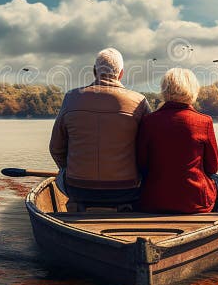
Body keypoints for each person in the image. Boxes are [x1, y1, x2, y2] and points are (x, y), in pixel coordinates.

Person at [49, 48, 151, 205]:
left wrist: (70, 169)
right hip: (126, 188)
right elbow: (148, 149)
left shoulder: (71, 98)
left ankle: (76, 206)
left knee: (61, 175)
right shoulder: (139, 101)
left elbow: (56, 148)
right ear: (121, 73)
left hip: (78, 187)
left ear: (94, 71)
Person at [137, 67, 218, 213]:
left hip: (154, 200)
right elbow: (213, 167)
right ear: (193, 91)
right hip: (194, 203)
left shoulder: (148, 121)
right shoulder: (204, 122)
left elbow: (142, 164)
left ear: (164, 90)